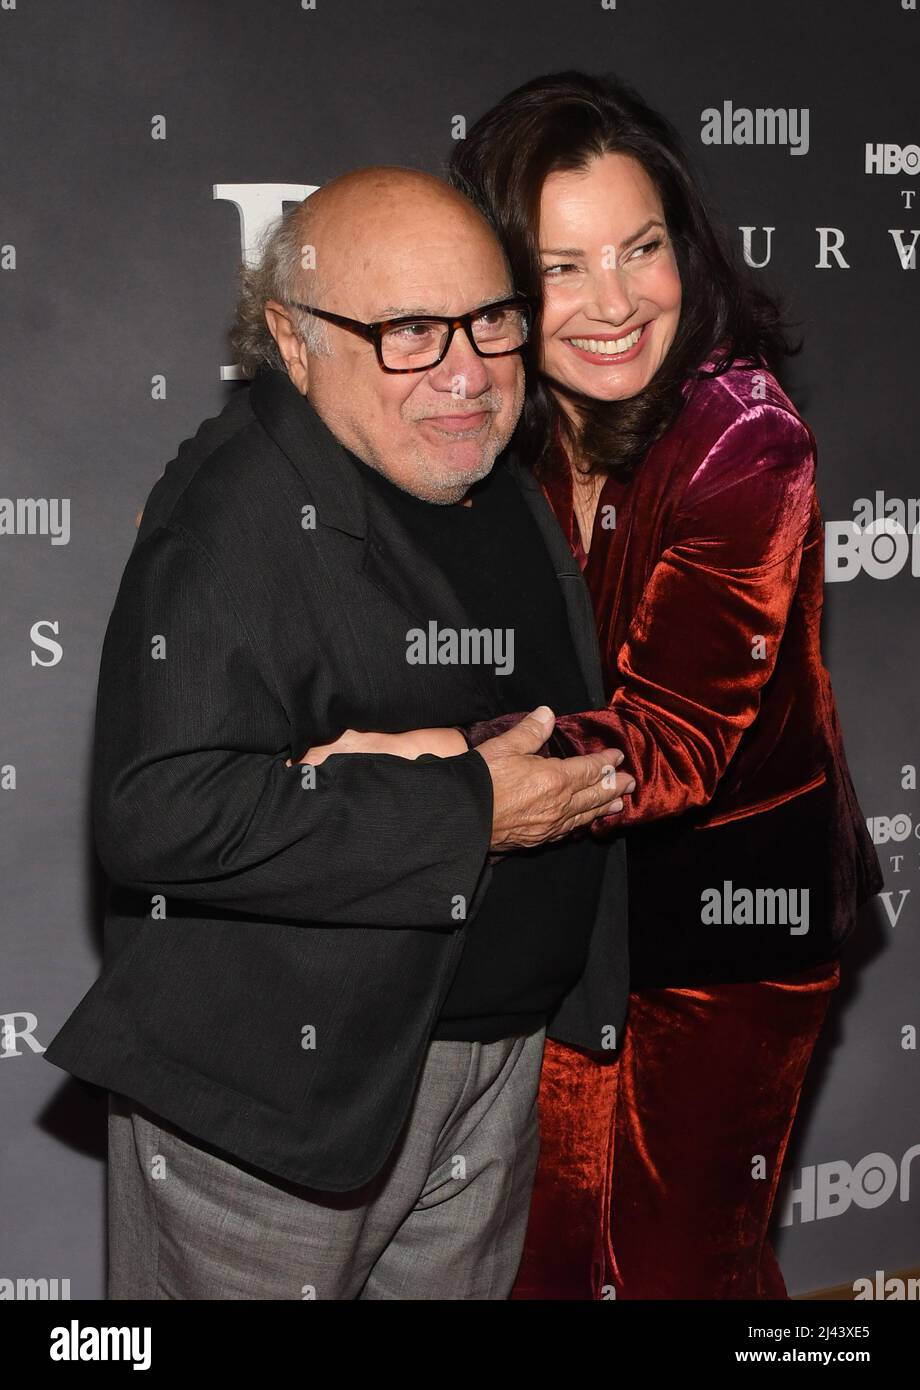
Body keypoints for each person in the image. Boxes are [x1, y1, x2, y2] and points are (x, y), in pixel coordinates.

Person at [314, 74, 884, 1298]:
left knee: (680, 1269)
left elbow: (669, 741)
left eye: (640, 247)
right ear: (501, 291)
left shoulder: (743, 438)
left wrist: (424, 764)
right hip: (565, 911)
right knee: (545, 1265)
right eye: (563, 269)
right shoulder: (499, 427)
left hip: (729, 926)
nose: (618, 302)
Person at [43, 166, 635, 1300]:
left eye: (490, 320)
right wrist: (470, 806)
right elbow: (160, 811)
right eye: (408, 331)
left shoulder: (491, 468)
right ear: (293, 337)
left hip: (488, 1062)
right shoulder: (234, 513)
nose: (465, 371)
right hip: (282, 1103)